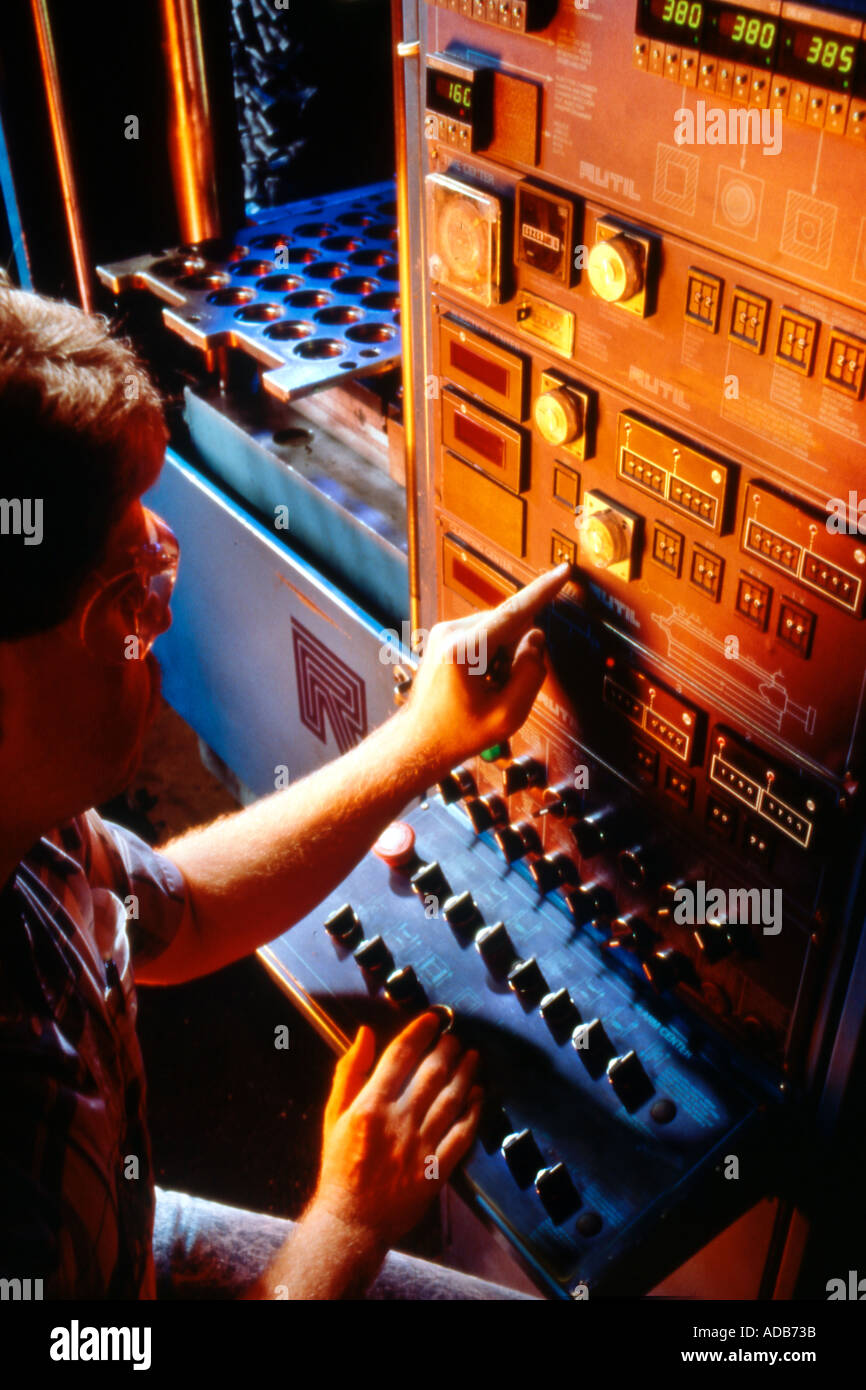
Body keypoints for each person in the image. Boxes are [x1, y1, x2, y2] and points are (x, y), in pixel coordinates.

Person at [0, 281, 571, 1300]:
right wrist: (346, 1219)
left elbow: (178, 909)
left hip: (118, 1237)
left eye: (152, 555)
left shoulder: (27, 837)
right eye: (125, 596)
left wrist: (420, 743)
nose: (158, 625)